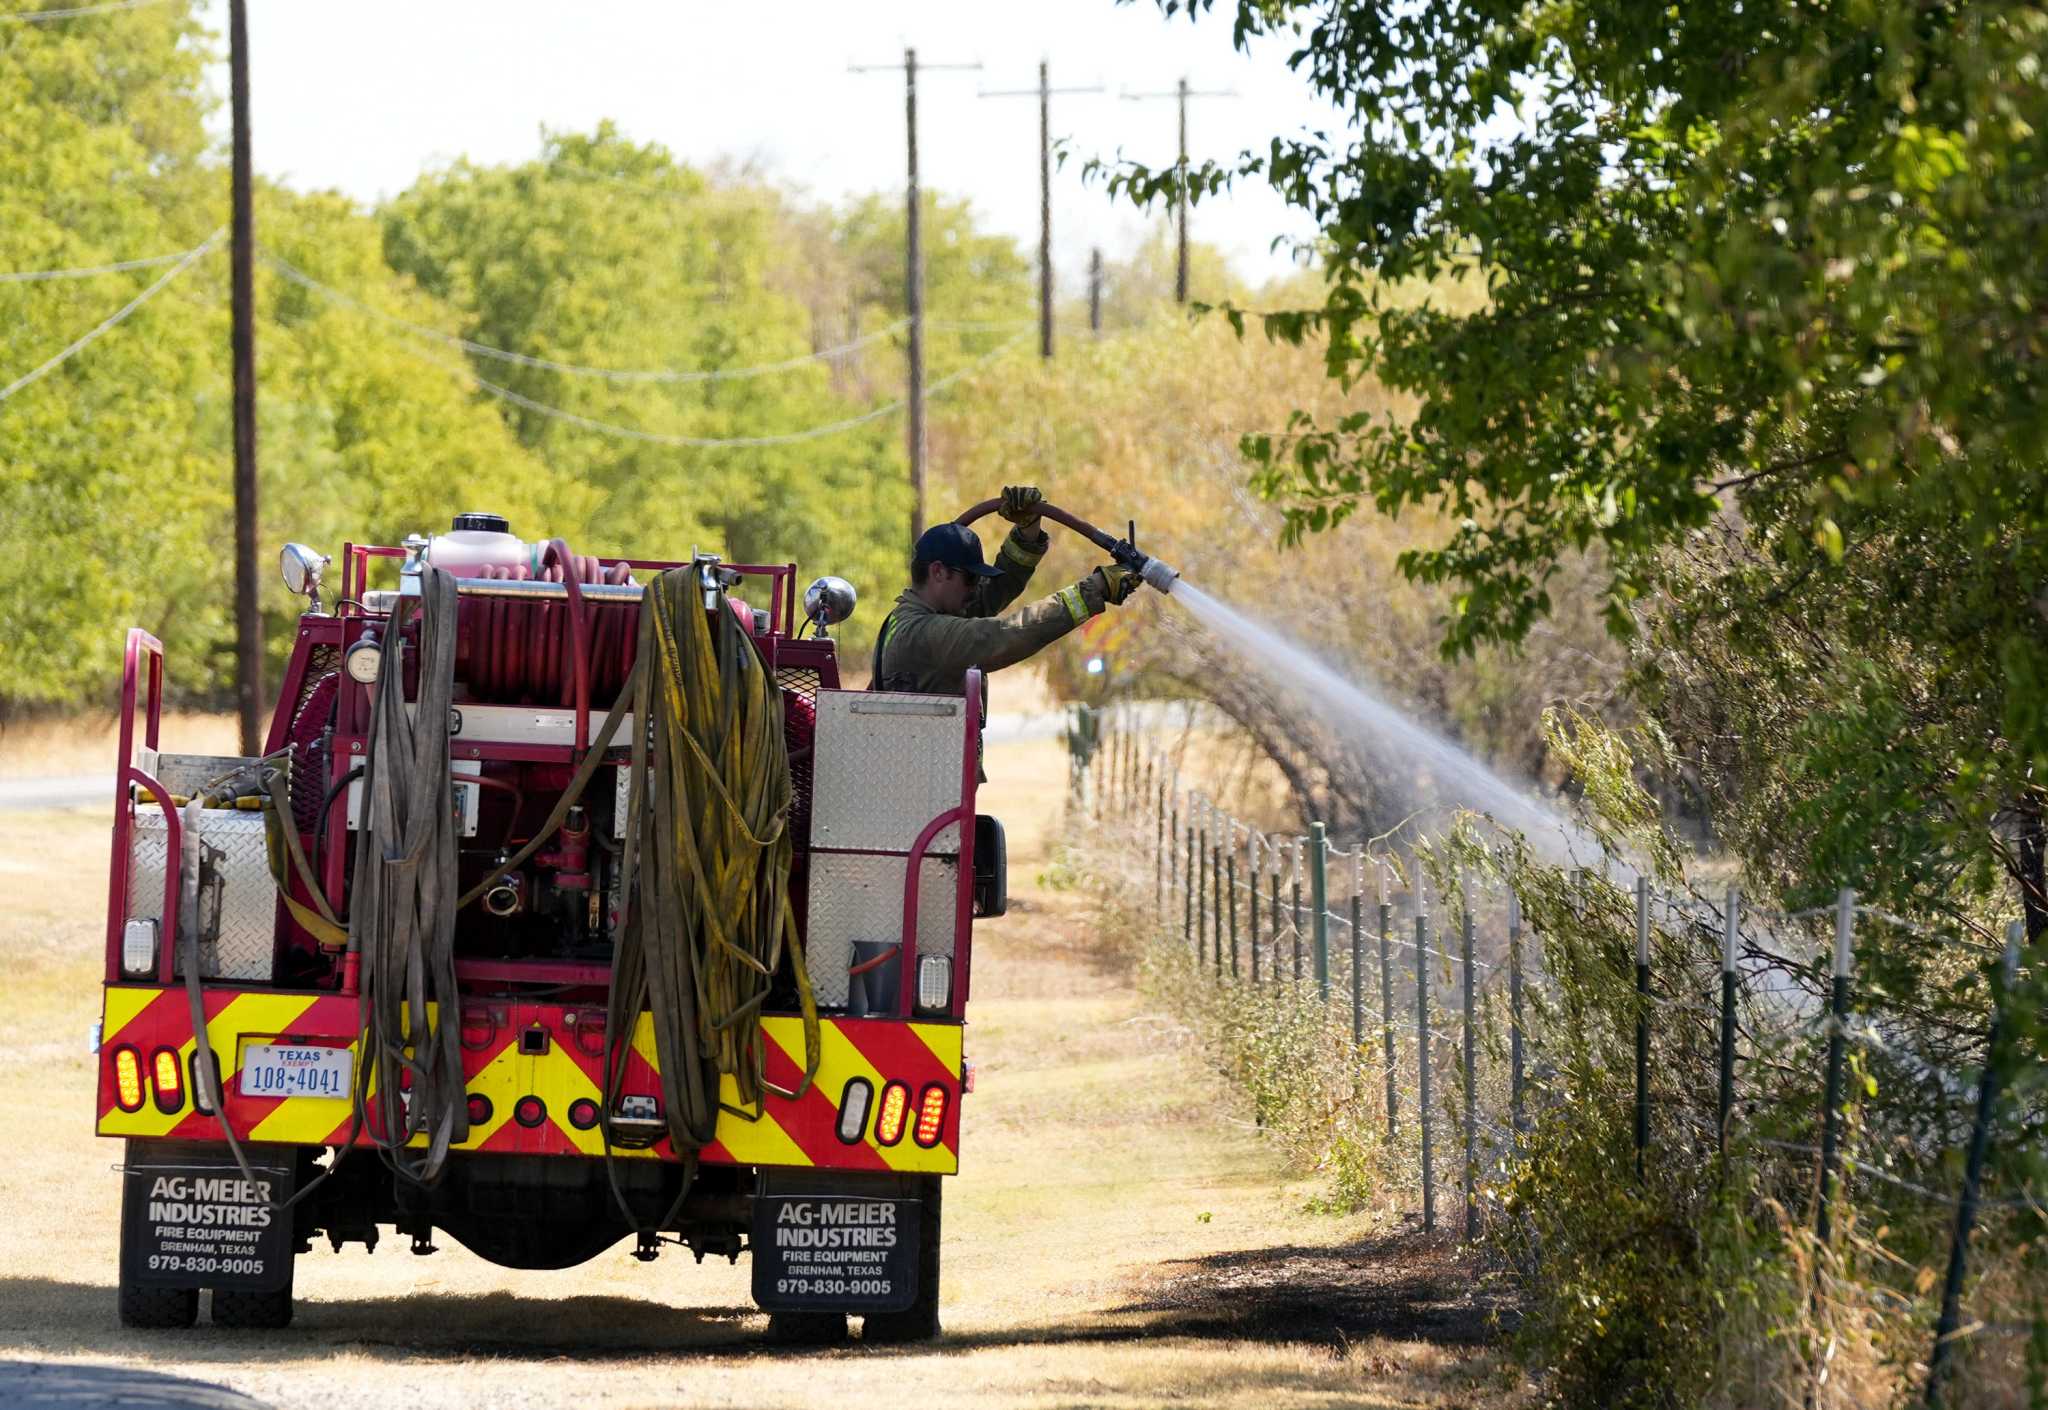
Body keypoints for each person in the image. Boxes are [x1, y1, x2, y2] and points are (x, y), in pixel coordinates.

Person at [871, 485, 1139, 697]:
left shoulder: (913, 616)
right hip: (935, 766)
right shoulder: (924, 634)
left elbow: (992, 592)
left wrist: (1028, 532)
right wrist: (1096, 589)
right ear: (939, 572)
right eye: (971, 578)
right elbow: (1008, 635)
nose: (976, 588)